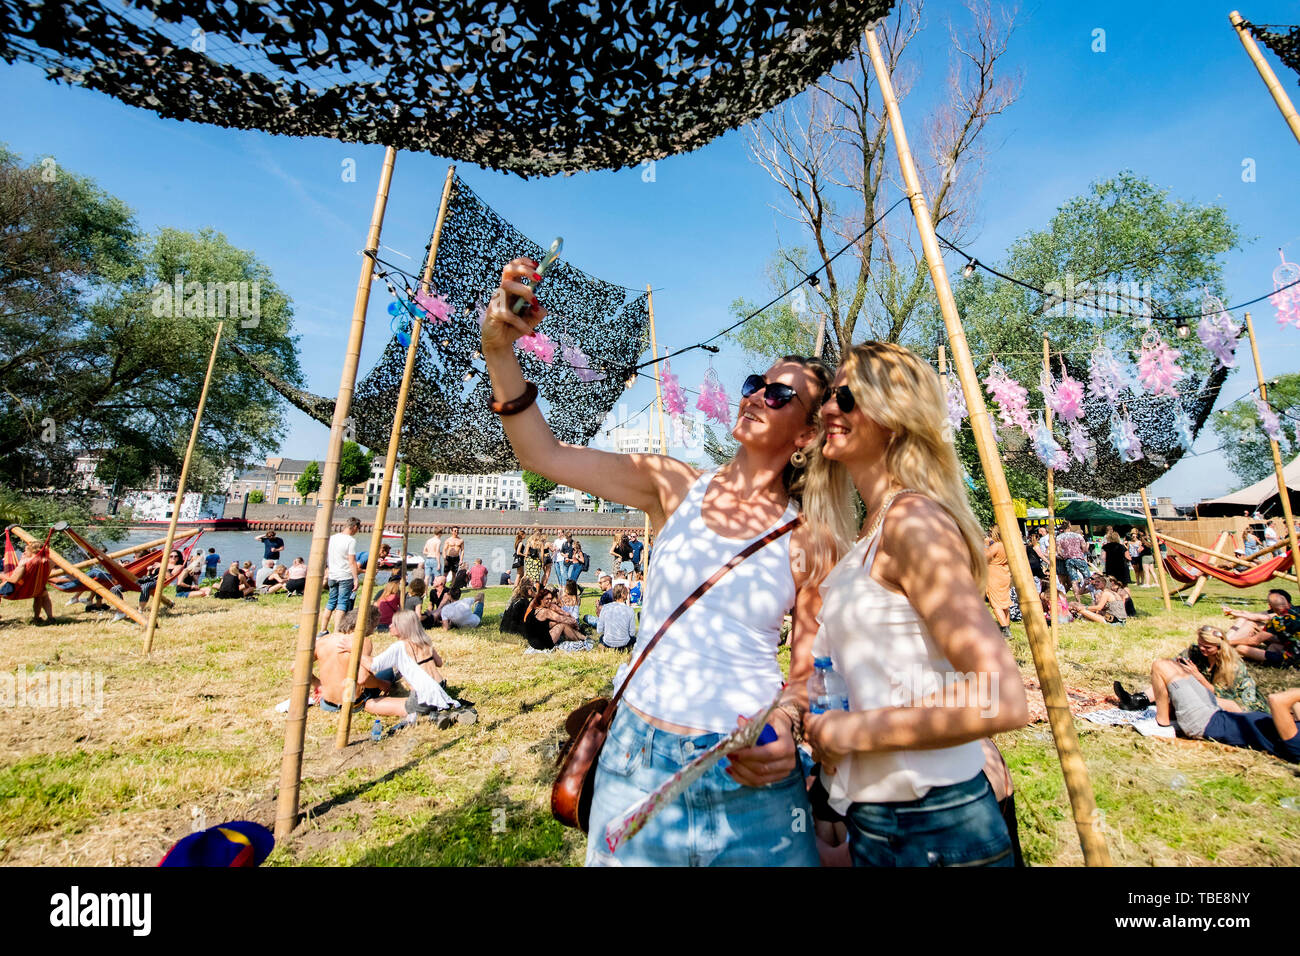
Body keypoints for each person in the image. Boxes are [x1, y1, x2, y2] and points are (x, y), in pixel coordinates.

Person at [483, 257, 840, 865]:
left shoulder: (810, 535)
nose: (755, 394)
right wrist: (498, 352)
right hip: (637, 758)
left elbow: (808, 672)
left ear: (805, 435)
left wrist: (789, 726)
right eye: (755, 381)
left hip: (749, 770)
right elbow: (543, 453)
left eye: (779, 395)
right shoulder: (672, 484)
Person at [801, 341, 1028, 868]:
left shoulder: (913, 522)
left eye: (847, 397)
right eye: (829, 397)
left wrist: (849, 732)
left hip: (933, 824)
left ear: (894, 415)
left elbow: (1001, 695)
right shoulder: (872, 526)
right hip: (883, 820)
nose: (829, 408)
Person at [1150, 656, 1300, 763]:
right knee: (1174, 665)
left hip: (1202, 722)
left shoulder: (1297, 744)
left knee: (1160, 665)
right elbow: (1296, 705)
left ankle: (1162, 724)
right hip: (1216, 712)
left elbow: (1277, 700)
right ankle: (1168, 712)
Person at [1116, 625, 1267, 714]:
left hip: (1237, 703)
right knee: (1172, 676)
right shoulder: (1196, 652)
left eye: (1207, 647)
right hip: (1203, 693)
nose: (1202, 649)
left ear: (1219, 647)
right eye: (1200, 644)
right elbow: (1171, 667)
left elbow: (1221, 696)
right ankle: (1137, 700)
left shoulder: (1232, 666)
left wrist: (1198, 676)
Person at [1223, 589, 1300, 667]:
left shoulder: (1277, 621)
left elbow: (1254, 641)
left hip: (1293, 661)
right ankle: (1267, 662)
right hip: (1294, 650)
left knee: (1240, 648)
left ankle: (1223, 650)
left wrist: (1228, 642)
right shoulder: (1297, 610)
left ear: (1272, 607)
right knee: (1274, 646)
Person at [0, 542, 54, 624]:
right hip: (37, 590)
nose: (24, 553)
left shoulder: (25, 562)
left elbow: (14, 580)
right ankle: (45, 618)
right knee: (43, 595)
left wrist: (1, 575)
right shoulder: (49, 562)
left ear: (32, 552)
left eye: (25, 551)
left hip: (19, 591)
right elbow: (44, 577)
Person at [325, 517, 361, 632]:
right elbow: (352, 561)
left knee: (331, 602)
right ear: (354, 527)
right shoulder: (350, 541)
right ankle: (336, 630)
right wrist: (356, 578)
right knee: (342, 603)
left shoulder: (333, 538)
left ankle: (323, 629)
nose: (357, 531)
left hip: (332, 574)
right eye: (358, 529)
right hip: (345, 575)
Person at [523, 588, 588, 649]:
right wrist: (574, 622)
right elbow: (562, 619)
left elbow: (547, 624)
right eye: (547, 599)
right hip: (541, 643)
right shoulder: (545, 612)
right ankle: (579, 642)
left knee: (560, 623)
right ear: (541, 599)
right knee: (563, 625)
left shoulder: (536, 608)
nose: (550, 601)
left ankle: (584, 638)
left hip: (533, 641)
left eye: (551, 599)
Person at [984, 526, 1011, 637]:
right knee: (1005, 602)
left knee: (996, 603)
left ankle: (1005, 629)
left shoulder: (997, 545)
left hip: (994, 574)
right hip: (1005, 573)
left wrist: (985, 545)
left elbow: (985, 557)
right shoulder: (1007, 546)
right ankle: (1007, 625)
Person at [596, 583, 637, 650]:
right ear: (623, 595)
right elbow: (632, 633)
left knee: (601, 638)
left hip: (607, 642)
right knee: (635, 639)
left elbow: (599, 630)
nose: (628, 594)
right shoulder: (630, 610)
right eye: (627, 592)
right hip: (624, 643)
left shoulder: (605, 607)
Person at [1055, 523, 1089, 595]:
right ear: (1069, 526)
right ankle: (1088, 592)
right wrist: (1081, 554)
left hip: (1068, 560)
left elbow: (1059, 551)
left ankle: (1078, 600)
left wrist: (1065, 556)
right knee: (1088, 577)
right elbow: (1084, 548)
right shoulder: (1078, 536)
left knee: (1074, 581)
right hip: (1079, 558)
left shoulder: (1059, 537)